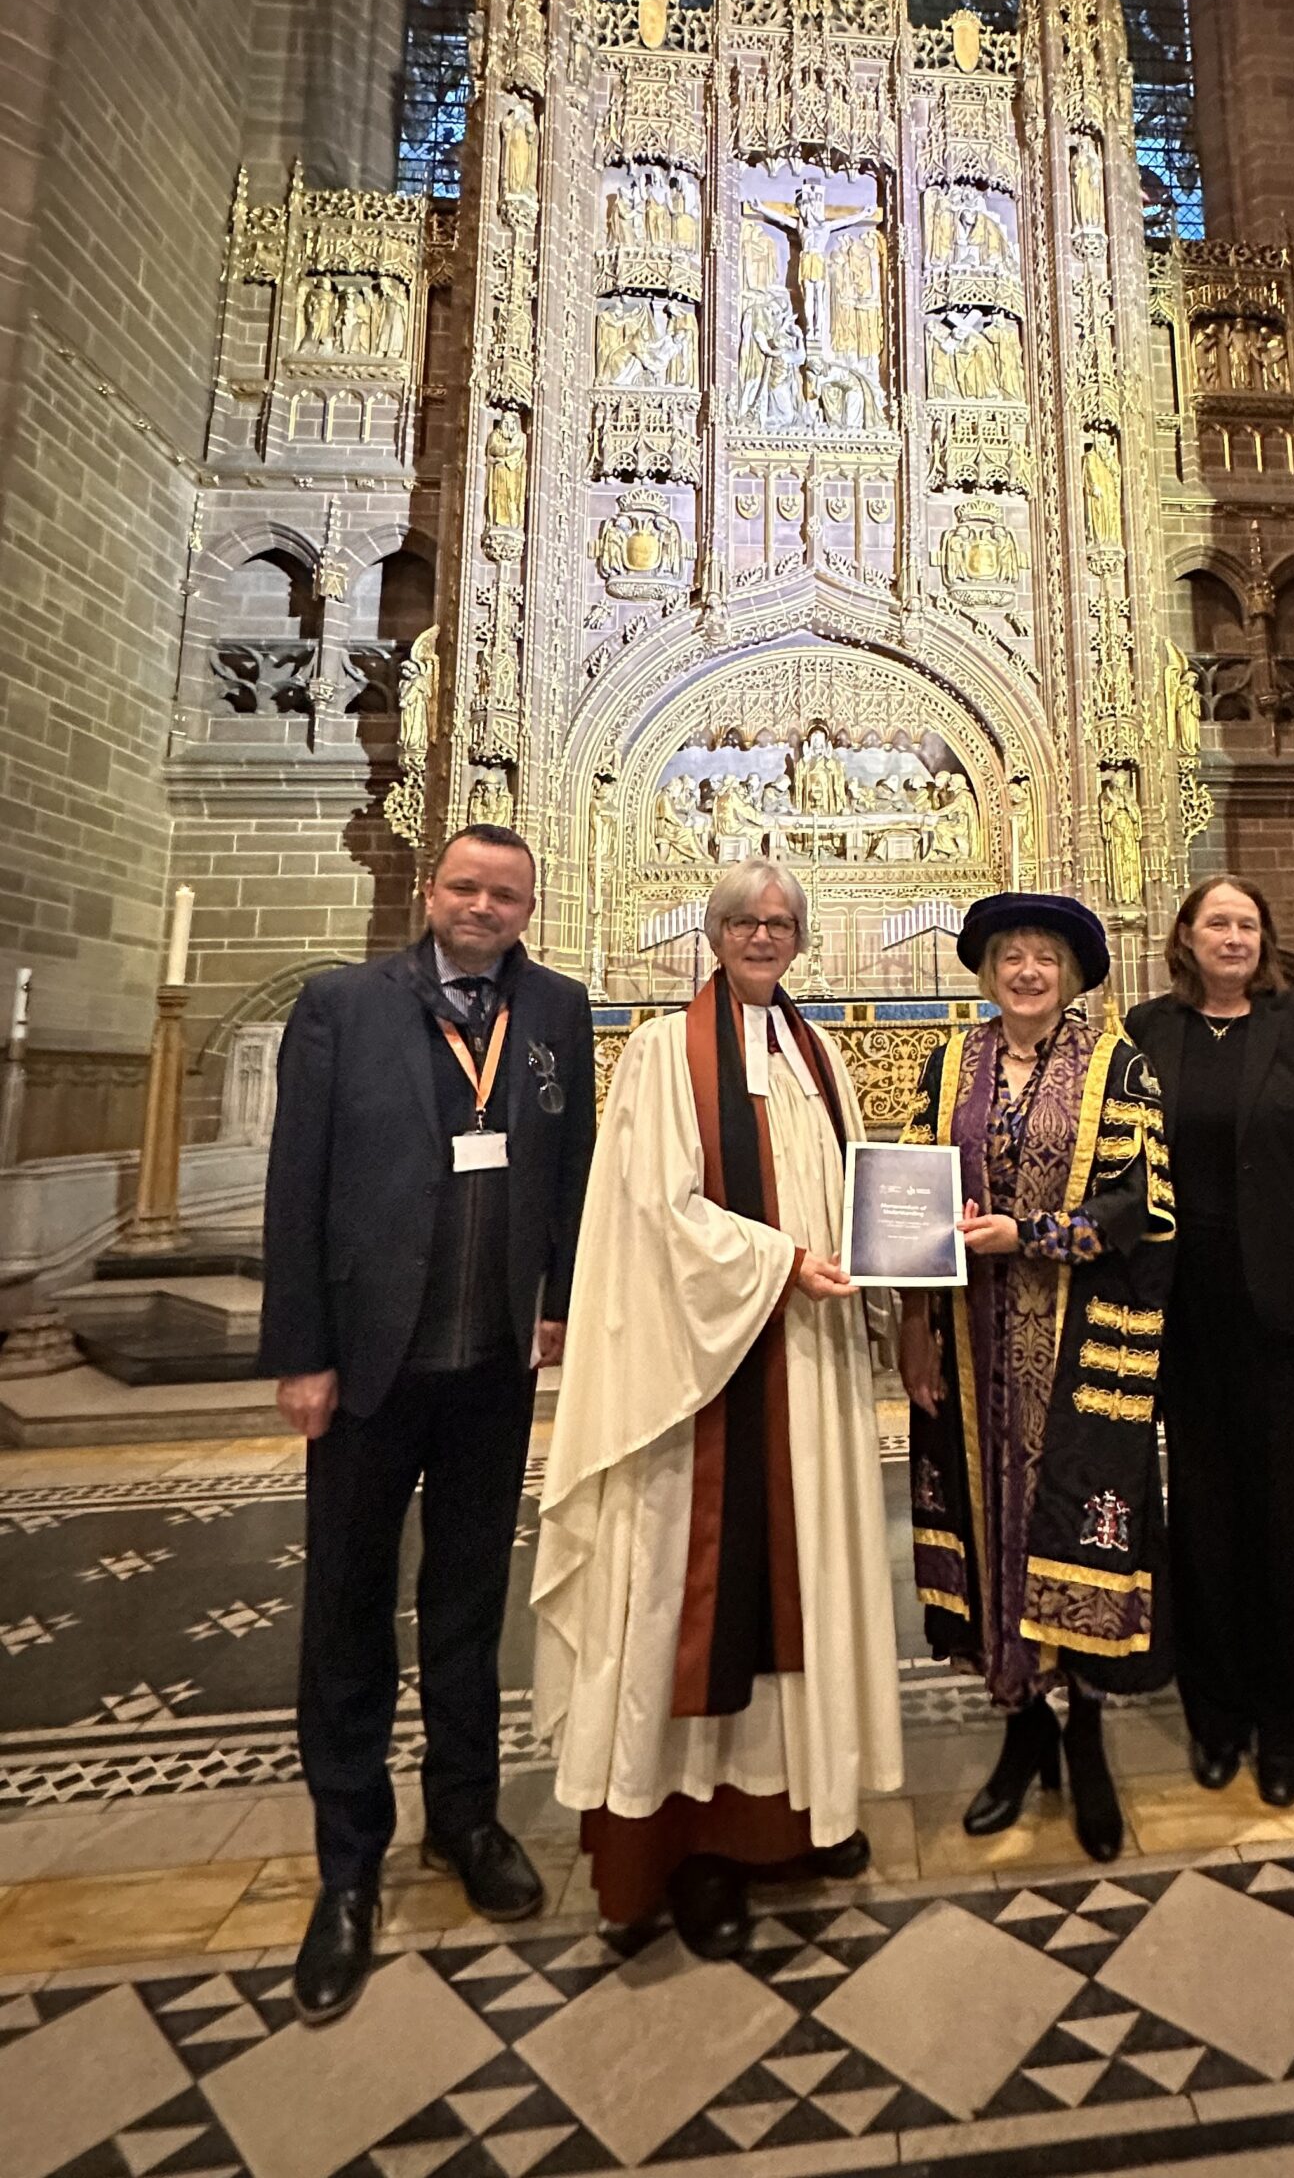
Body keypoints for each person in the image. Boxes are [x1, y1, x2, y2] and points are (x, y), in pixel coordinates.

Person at [531, 861, 902, 1960]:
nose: (764, 935)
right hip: (701, 1376)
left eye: (782, 922)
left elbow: (854, 1191)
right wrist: (786, 1260)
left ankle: (795, 1806)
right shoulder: (660, 1053)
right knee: (693, 1602)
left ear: (802, 937)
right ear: (713, 932)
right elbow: (658, 1214)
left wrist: (899, 1254)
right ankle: (687, 1841)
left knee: (811, 1578)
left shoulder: (819, 1051)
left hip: (810, 1366)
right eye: (745, 920)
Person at [260, 824, 597, 2023]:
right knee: (348, 1611)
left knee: (466, 1604)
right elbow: (295, 1181)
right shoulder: (345, 1004)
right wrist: (299, 1351)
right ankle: (348, 1867)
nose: (484, 907)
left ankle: (466, 1817)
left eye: (506, 892)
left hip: (491, 1363)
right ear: (431, 890)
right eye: (467, 886)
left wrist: (557, 1305)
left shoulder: (555, 1008)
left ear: (529, 905)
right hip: (367, 1364)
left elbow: (570, 1172)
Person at [898, 892, 1176, 1863]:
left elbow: (1142, 1204)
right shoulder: (949, 1065)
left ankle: (1086, 1735)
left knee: (1078, 1524)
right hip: (975, 1345)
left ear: (1071, 975)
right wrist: (915, 1326)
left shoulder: (1118, 1064)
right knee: (989, 1526)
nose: (1025, 970)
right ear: (987, 971)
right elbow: (912, 1202)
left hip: (1079, 1336)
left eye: (1044, 957)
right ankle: (1021, 1731)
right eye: (1010, 955)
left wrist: (1037, 1235)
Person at [1127, 877, 1294, 1805]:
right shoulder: (1145, 1029)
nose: (1233, 936)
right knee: (1200, 1514)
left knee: (1280, 1519)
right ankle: (1215, 1715)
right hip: (1185, 1314)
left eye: (1248, 922)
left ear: (1262, 938)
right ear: (1186, 938)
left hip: (1286, 1310)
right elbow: (1119, 1161)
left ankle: (1289, 1725)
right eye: (1217, 922)